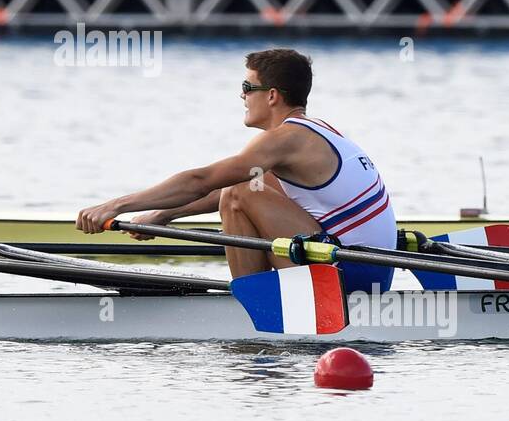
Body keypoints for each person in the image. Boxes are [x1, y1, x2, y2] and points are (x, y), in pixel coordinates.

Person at [76, 48, 396, 293]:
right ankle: (263, 295)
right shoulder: (315, 132)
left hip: (348, 278)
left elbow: (202, 181)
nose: (241, 95)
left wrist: (115, 206)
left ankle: (252, 304)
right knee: (244, 188)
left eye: (247, 86)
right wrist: (162, 216)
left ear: (272, 96)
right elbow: (226, 190)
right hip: (369, 272)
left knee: (238, 191)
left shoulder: (286, 139)